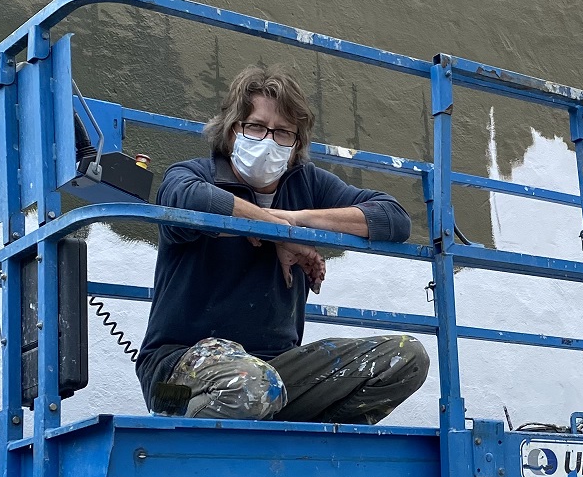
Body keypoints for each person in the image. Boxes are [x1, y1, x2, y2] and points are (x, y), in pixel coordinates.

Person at [135, 66, 430, 424]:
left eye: (283, 133)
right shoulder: (195, 174)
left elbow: (393, 218)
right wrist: (272, 230)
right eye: (255, 127)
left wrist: (295, 223)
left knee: (406, 357)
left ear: (296, 145)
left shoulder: (306, 184)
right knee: (251, 386)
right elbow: (184, 200)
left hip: (275, 373)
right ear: (231, 132)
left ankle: (306, 450)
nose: (268, 140)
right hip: (171, 380)